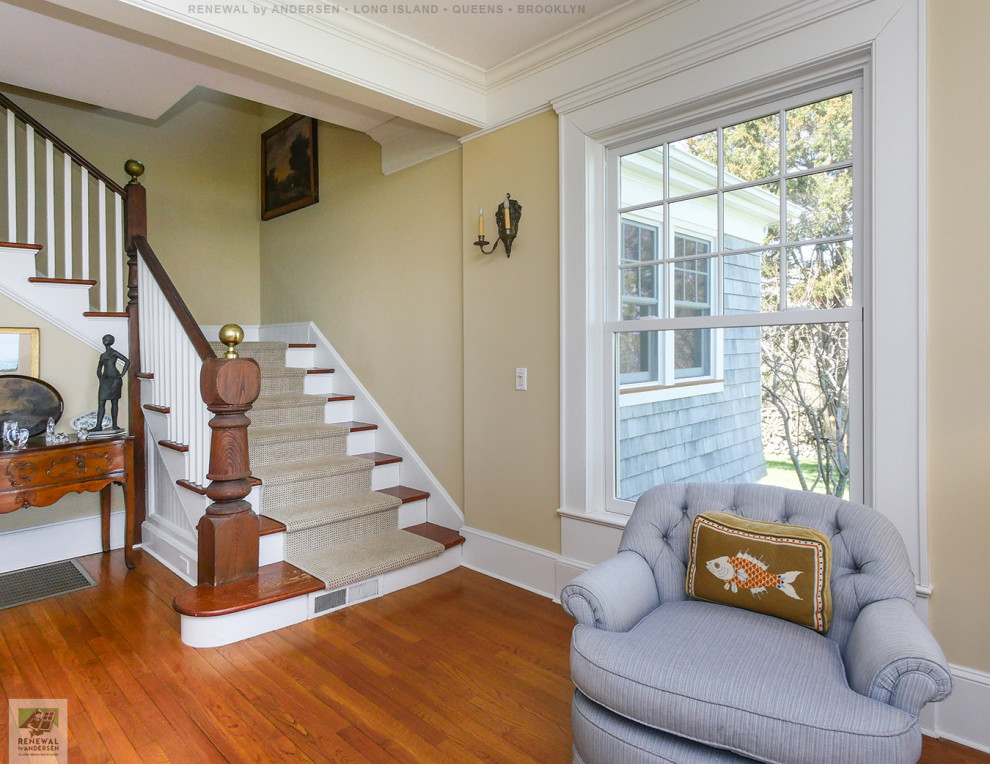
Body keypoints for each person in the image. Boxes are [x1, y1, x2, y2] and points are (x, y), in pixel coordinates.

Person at [93, 334, 129, 432]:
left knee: (114, 402)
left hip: (114, 380)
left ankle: (115, 425)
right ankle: (98, 425)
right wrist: (100, 378)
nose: (104, 340)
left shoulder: (113, 353)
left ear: (111, 341)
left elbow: (127, 361)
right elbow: (99, 368)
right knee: (101, 402)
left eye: (107, 339)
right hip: (105, 380)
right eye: (104, 338)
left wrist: (121, 374)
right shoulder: (102, 355)